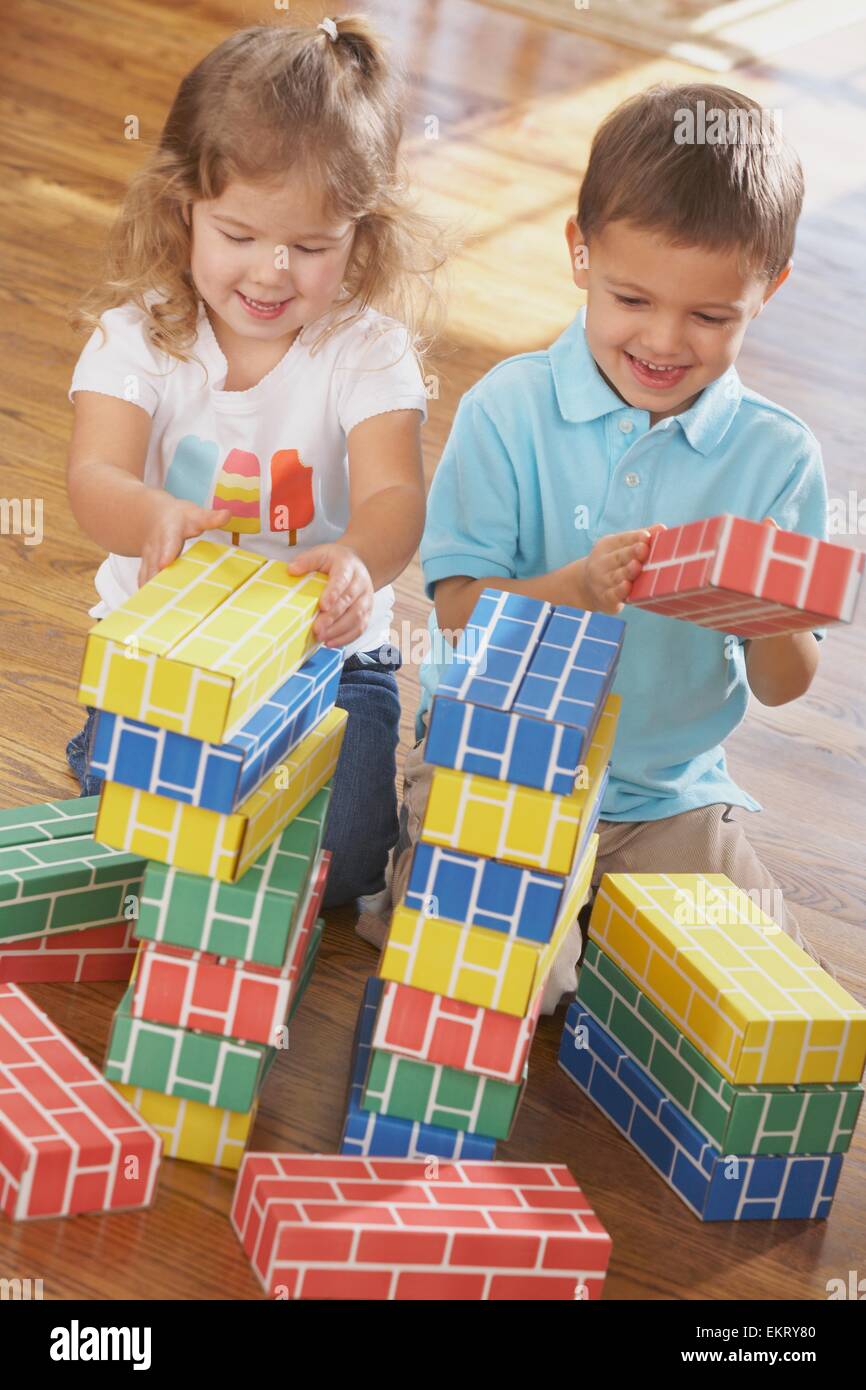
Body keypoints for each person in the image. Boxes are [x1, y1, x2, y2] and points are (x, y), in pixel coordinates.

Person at [361, 82, 831, 1005]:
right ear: (579, 253)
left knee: (767, 998)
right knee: (498, 991)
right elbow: (456, 614)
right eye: (632, 298)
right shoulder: (509, 408)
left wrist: (768, 612)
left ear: (766, 293)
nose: (663, 340)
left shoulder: (779, 458)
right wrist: (577, 585)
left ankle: (593, 921)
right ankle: (517, 913)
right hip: (502, 765)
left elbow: (785, 683)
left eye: (711, 316)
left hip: (664, 798)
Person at [65, 16, 448, 911]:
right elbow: (95, 478)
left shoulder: (367, 348)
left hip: (326, 656)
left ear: (361, 236)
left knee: (345, 868)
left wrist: (357, 559)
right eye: (239, 235)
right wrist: (152, 516)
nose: (272, 273)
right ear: (182, 209)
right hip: (173, 645)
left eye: (312, 247)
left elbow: (395, 493)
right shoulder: (137, 338)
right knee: (142, 854)